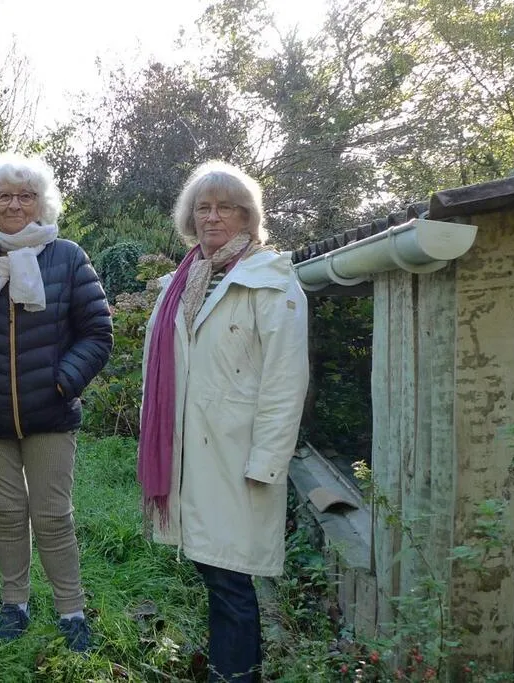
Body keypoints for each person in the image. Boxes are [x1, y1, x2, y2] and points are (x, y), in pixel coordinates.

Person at [138, 161, 309, 681]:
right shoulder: (181, 283)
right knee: (214, 570)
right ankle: (226, 668)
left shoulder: (271, 282)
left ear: (248, 217)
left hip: (237, 457)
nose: (213, 217)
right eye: (203, 208)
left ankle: (235, 674)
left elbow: (285, 382)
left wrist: (267, 462)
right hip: (191, 453)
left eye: (226, 208)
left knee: (232, 578)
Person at [0, 152, 113, 651]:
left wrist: (61, 382)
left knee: (53, 515)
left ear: (43, 203)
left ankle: (71, 610)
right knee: (8, 513)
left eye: (26, 195)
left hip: (50, 414)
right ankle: (14, 603)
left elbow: (97, 333)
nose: (14, 204)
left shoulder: (68, 258)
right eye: (4, 195)